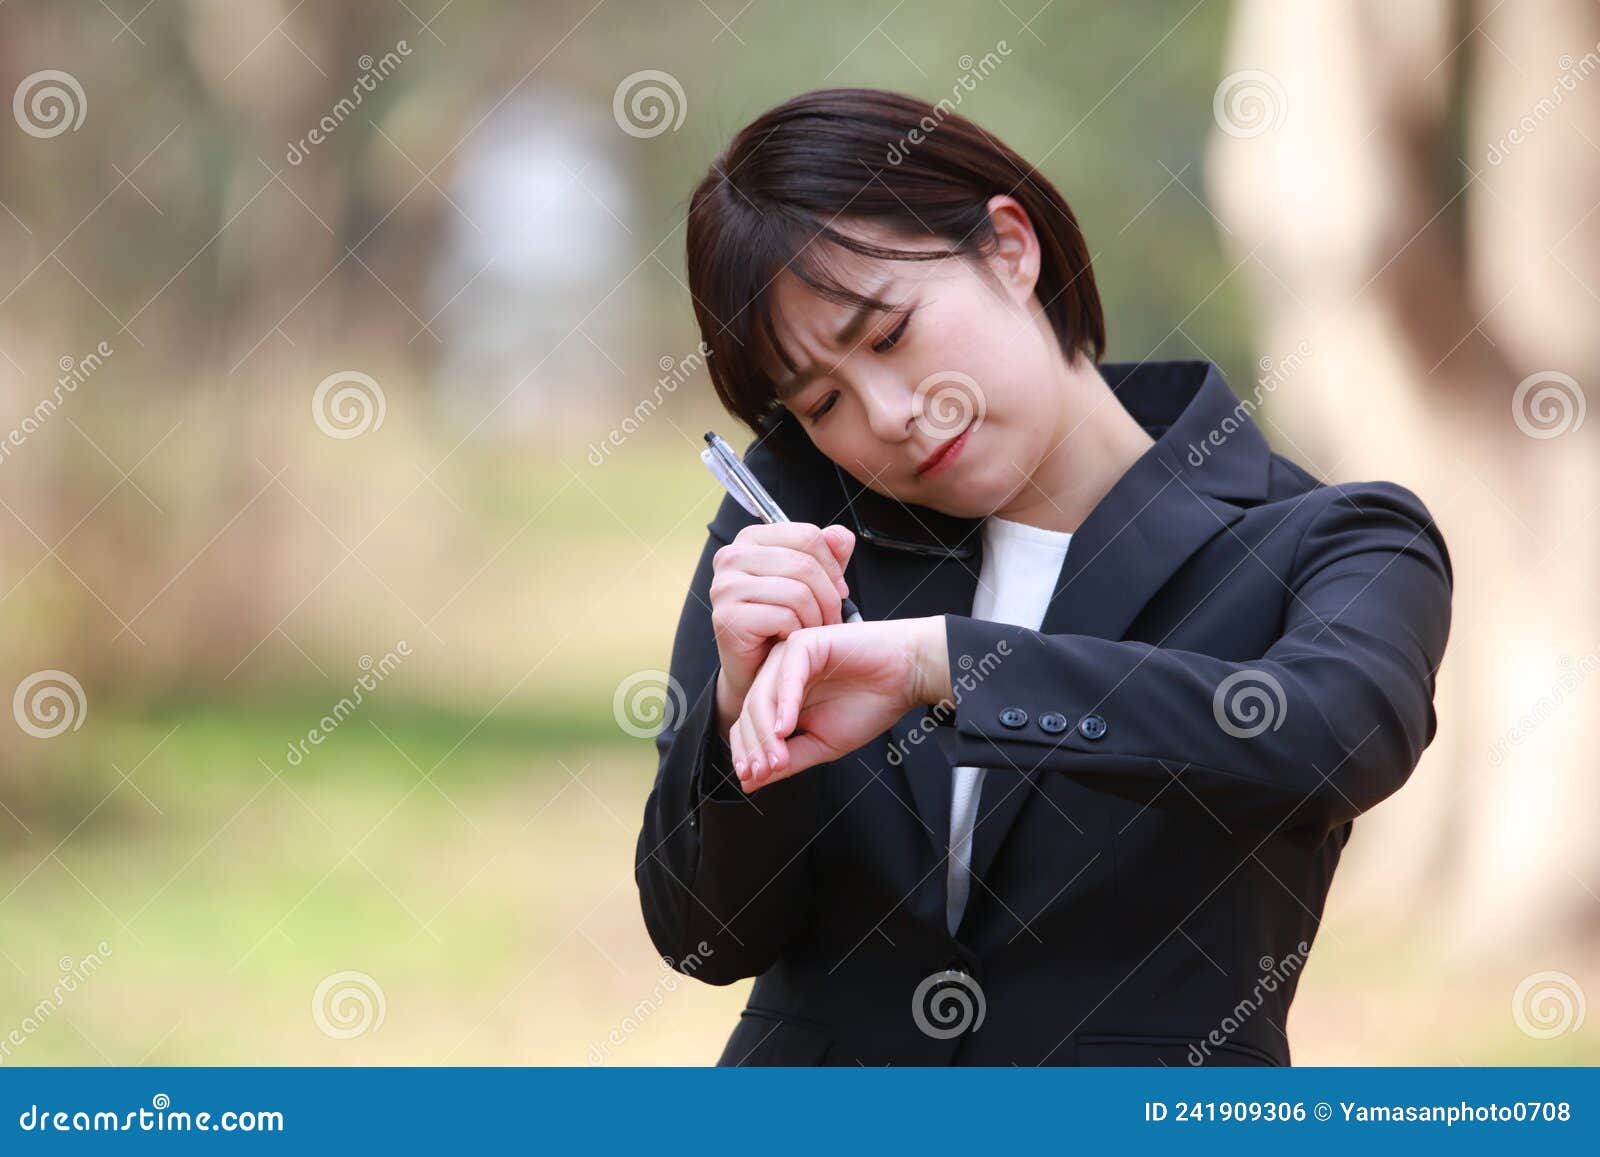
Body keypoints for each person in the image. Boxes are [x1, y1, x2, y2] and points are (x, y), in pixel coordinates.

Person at [633, 88, 1452, 1066]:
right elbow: (703, 934)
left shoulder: (1332, 537)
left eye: (889, 335)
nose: (887, 413)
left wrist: (945, 665)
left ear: (1009, 248)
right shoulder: (797, 524)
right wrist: (734, 715)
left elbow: (1327, 737)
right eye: (821, 400)